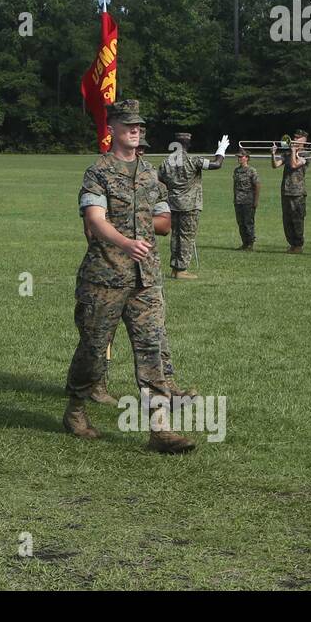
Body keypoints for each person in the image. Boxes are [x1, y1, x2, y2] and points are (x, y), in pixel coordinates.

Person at [62, 99, 195, 454]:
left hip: (145, 279)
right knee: (92, 350)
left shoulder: (152, 175)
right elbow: (93, 219)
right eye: (128, 125)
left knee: (152, 348)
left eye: (139, 126)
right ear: (112, 130)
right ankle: (75, 408)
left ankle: (160, 428)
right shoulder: (98, 172)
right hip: (104, 276)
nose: (136, 131)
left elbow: (165, 221)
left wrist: (138, 226)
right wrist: (125, 239)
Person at [157, 132, 228, 278]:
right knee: (187, 237)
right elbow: (216, 164)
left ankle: (175, 268)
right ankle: (181, 270)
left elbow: (159, 179)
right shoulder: (193, 161)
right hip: (190, 206)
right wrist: (221, 150)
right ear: (188, 144)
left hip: (173, 204)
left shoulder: (166, 162)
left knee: (176, 236)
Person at [271, 130, 310, 253]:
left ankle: (298, 245)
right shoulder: (287, 153)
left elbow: (294, 165)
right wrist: (273, 154)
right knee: (287, 220)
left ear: (304, 140)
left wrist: (294, 151)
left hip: (297, 192)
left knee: (297, 219)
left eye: (298, 138)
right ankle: (292, 244)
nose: (295, 139)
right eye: (295, 137)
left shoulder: (305, 154)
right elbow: (275, 165)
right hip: (286, 191)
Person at [232, 147, 260, 250]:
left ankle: (250, 243)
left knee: (248, 223)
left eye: (241, 157)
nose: (239, 158)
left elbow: (257, 185)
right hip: (238, 201)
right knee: (240, 223)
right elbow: (235, 185)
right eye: (238, 157)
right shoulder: (236, 171)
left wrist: (256, 201)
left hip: (248, 201)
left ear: (247, 158)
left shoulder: (251, 170)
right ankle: (244, 243)